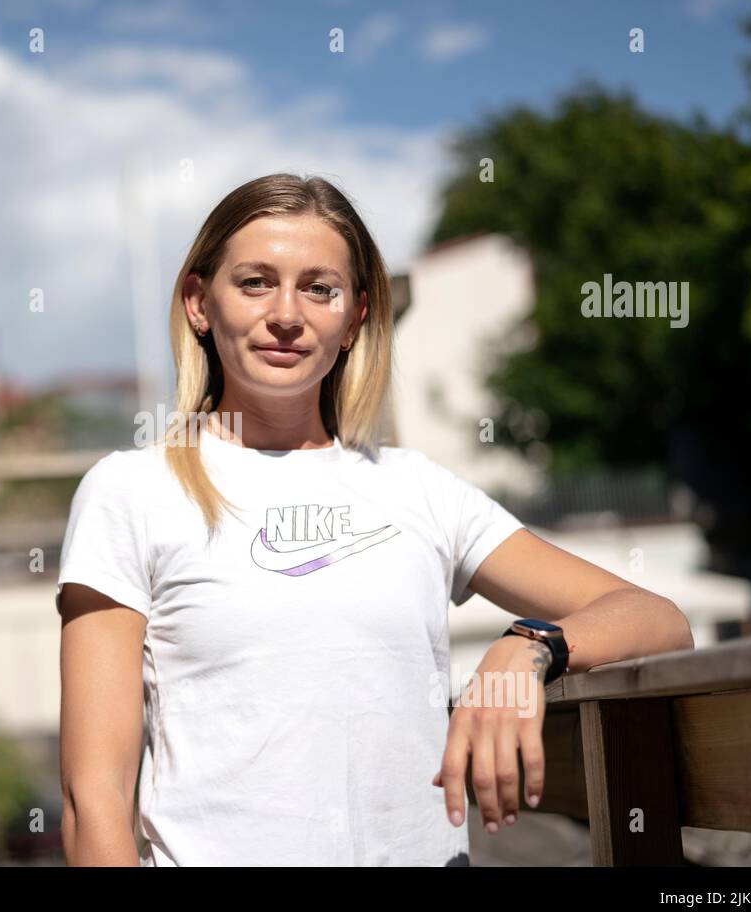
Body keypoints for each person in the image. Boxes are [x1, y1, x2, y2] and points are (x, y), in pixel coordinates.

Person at [55, 172, 692, 866]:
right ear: (199, 303)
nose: (288, 314)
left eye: (320, 288)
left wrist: (526, 649)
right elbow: (97, 795)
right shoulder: (132, 490)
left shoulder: (417, 489)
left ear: (355, 317)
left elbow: (658, 620)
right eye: (256, 282)